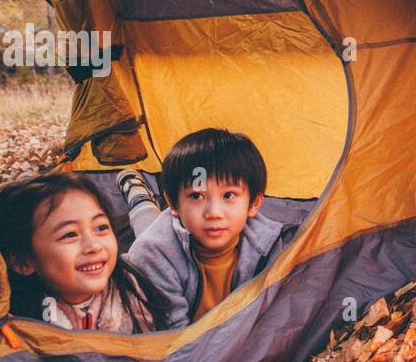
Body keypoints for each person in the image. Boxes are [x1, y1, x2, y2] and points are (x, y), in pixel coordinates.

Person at [121, 128, 296, 329]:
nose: (214, 213)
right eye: (196, 196)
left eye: (228, 195)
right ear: (174, 204)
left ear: (254, 203)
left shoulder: (272, 244)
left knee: (151, 224)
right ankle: (138, 196)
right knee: (149, 233)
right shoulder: (153, 254)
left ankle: (139, 197)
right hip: (164, 248)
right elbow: (172, 340)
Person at [0, 173, 162, 333]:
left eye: (101, 227)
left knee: (152, 237)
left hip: (146, 248)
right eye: (70, 234)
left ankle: (139, 197)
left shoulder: (136, 287)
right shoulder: (20, 325)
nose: (94, 246)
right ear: (22, 262)